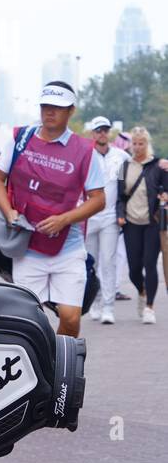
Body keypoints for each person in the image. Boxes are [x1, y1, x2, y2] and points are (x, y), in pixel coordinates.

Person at [0, 82, 105, 337]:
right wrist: (9, 212)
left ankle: (60, 362)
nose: (49, 112)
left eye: (57, 107)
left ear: (71, 111)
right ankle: (41, 367)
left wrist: (64, 219)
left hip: (68, 246)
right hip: (26, 246)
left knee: (71, 318)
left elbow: (98, 199)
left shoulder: (85, 151)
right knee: (28, 318)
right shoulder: (20, 139)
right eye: (45, 106)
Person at [116, 126, 167, 324]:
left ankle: (150, 307)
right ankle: (142, 291)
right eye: (134, 144)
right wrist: (120, 215)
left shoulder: (158, 165)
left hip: (152, 223)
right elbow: (119, 196)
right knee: (134, 269)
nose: (138, 147)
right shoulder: (123, 167)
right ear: (130, 145)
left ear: (147, 144)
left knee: (149, 264)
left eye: (141, 143)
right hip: (130, 223)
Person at [84, 116, 129, 324]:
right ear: (93, 133)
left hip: (110, 216)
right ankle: (95, 301)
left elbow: (130, 178)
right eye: (98, 130)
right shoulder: (85, 155)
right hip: (89, 216)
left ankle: (109, 307)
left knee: (109, 262)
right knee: (91, 263)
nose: (102, 133)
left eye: (105, 130)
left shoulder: (120, 157)